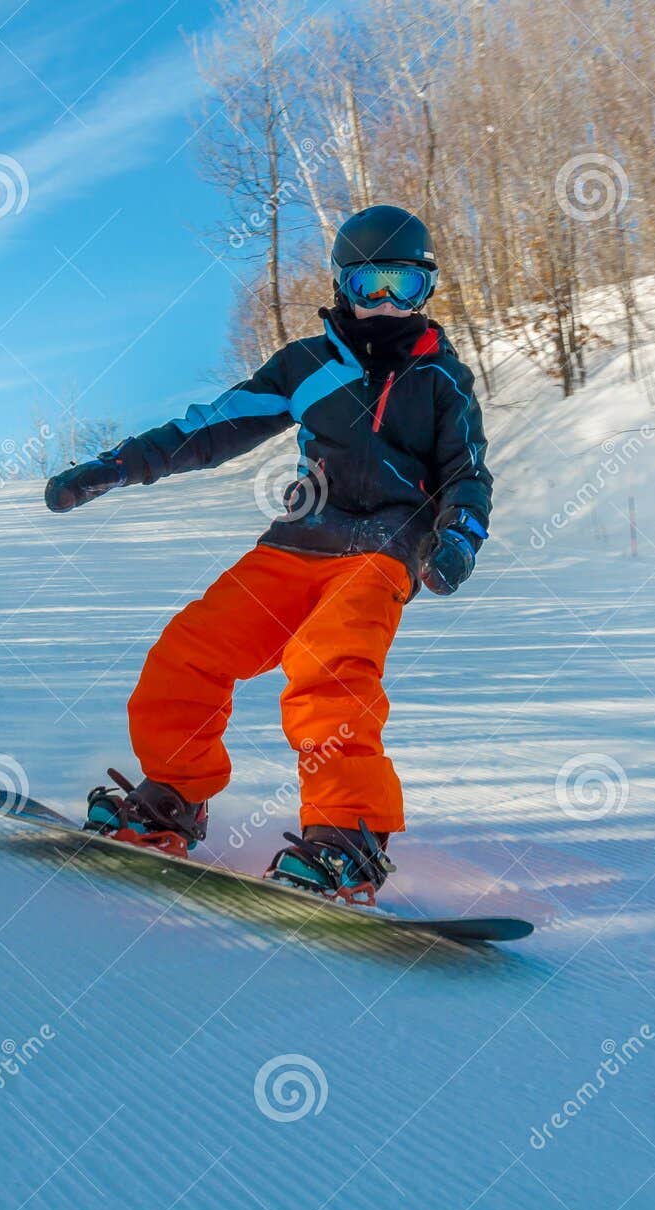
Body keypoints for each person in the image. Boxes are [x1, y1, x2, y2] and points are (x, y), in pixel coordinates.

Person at [43, 205, 493, 907]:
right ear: (343, 286)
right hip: (295, 544)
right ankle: (174, 796)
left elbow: (468, 472)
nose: (383, 304)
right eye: (369, 284)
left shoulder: (444, 380)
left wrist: (458, 536)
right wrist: (117, 466)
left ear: (425, 289)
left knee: (328, 665)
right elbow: (210, 428)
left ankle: (350, 834)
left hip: (383, 551)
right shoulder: (307, 364)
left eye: (401, 286)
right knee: (190, 649)